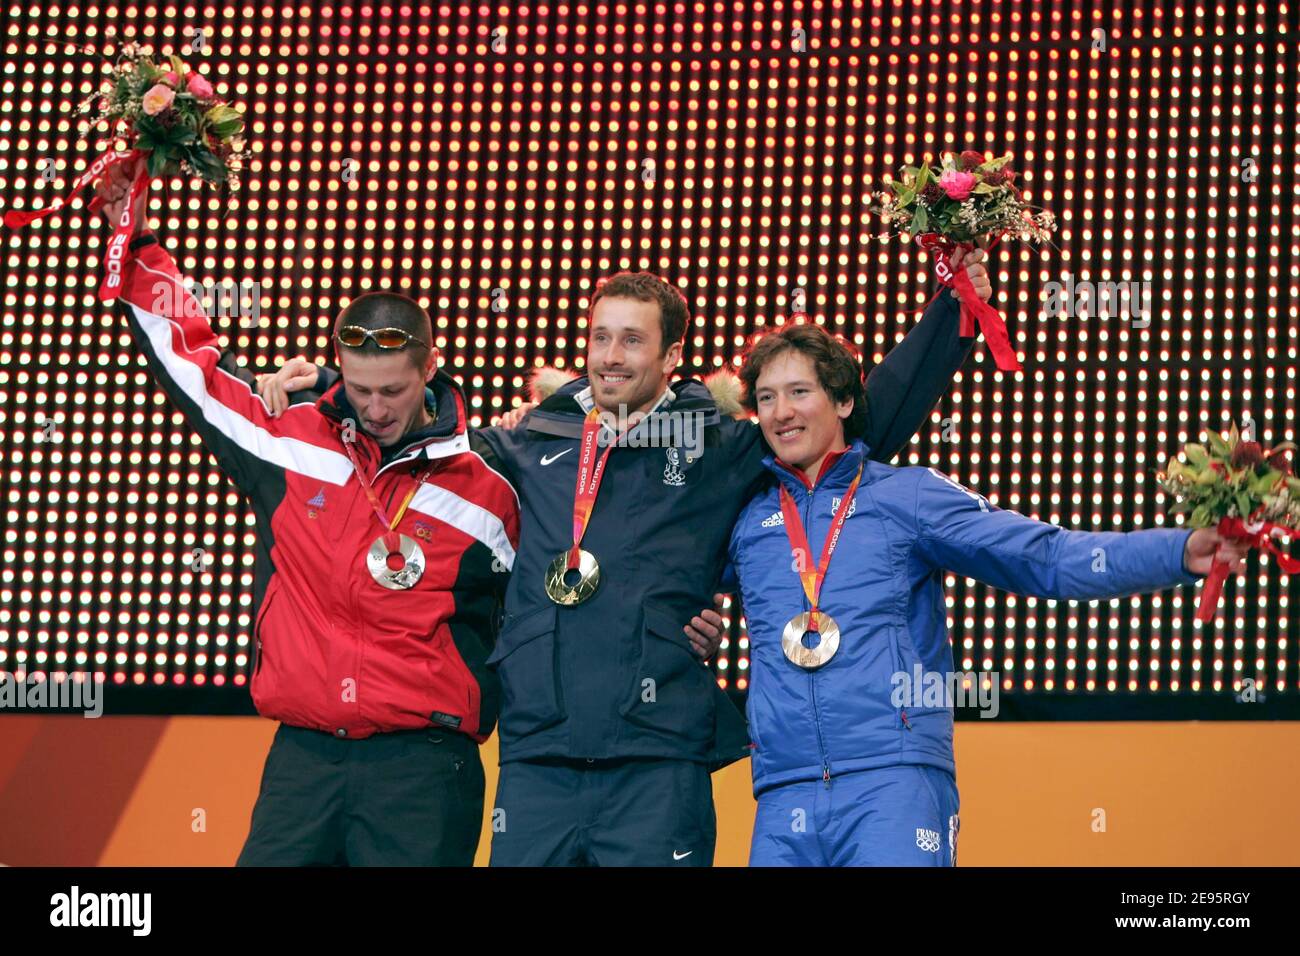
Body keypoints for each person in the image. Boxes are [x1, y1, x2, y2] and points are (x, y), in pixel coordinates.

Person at [265, 252, 994, 865]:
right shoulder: (530, 441)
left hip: (657, 762)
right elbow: (414, 438)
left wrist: (953, 310)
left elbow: (859, 413)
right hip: (537, 760)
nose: (610, 357)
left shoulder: (718, 446)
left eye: (632, 341)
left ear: (671, 355)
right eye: (599, 338)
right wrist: (332, 398)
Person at [94, 154, 522, 865]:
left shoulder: (491, 483)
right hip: (304, 761)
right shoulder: (289, 444)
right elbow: (193, 368)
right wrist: (137, 245)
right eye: (358, 389)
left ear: (431, 368)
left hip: (424, 768)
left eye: (392, 390)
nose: (376, 408)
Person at [728, 323, 1251, 866]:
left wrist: (1177, 552)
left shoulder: (907, 496)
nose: (781, 412)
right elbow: (658, 584)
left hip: (893, 781)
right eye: (766, 398)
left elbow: (1044, 557)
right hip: (782, 792)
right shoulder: (746, 522)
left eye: (798, 392)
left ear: (841, 400)